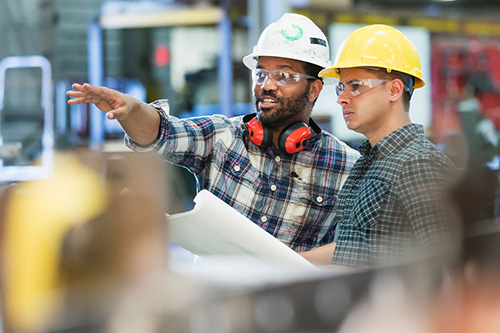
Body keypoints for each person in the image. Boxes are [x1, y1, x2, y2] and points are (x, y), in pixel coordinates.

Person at [67, 13, 359, 252]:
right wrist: (131, 110)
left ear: (315, 88)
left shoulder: (346, 167)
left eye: (283, 75)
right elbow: (161, 132)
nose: (267, 85)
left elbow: (352, 250)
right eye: (261, 73)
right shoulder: (222, 137)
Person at [299, 24, 461, 266]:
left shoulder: (419, 165)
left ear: (394, 90)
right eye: (342, 87)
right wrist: (285, 262)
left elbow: (450, 262)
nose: (342, 98)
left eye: (356, 86)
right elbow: (352, 248)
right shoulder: (368, 162)